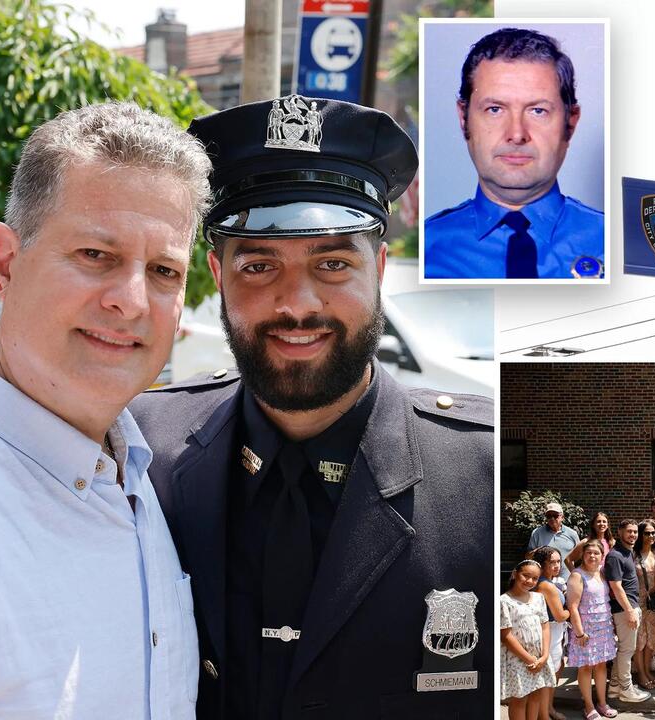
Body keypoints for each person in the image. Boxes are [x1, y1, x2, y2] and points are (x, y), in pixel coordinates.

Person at [129, 95, 494, 717]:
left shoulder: (483, 471)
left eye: (332, 263)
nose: (296, 303)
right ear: (218, 274)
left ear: (378, 268)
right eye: (259, 264)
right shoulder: (140, 454)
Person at [0, 102, 211, 716]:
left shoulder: (143, 468)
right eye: (96, 255)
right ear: (7, 264)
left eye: (162, 271)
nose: (130, 300)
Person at [424, 27, 604, 280]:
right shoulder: (427, 250)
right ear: (464, 119)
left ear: (571, 122)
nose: (517, 134)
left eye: (538, 111)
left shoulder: (615, 244)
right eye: (495, 109)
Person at [567, 541, 618, 719]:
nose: (592, 556)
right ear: (583, 554)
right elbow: (572, 607)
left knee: (601, 665)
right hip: (585, 630)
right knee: (586, 667)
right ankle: (589, 707)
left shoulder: (601, 573)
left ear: (602, 555)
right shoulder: (577, 576)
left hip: (603, 628)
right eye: (588, 553)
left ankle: (602, 703)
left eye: (596, 553)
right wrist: (579, 632)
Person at [501, 560, 556, 720]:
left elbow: (545, 626)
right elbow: (506, 635)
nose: (530, 581)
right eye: (526, 575)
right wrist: (528, 659)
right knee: (520, 698)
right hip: (518, 659)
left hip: (539, 657)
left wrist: (544, 656)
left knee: (536, 694)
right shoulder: (504, 601)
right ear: (515, 574)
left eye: (535, 578)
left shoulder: (539, 598)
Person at [604, 520, 651, 702]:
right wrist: (630, 610)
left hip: (631, 606)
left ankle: (615, 687)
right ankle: (626, 690)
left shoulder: (627, 553)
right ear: (619, 532)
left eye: (635, 532)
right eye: (629, 532)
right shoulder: (615, 556)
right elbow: (616, 586)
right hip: (624, 609)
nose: (633, 535)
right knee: (627, 650)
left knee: (624, 649)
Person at [533, 546, 570, 720]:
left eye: (558, 561)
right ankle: (544, 715)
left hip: (555, 632)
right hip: (549, 631)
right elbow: (560, 615)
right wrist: (572, 610)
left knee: (555, 671)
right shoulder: (545, 585)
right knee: (548, 675)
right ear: (541, 564)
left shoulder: (550, 581)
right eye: (551, 562)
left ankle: (548, 709)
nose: (556, 565)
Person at [634, 519, 655, 690]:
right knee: (639, 639)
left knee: (650, 638)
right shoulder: (633, 555)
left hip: (652, 602)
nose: (651, 536)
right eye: (647, 533)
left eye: (653, 533)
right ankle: (641, 674)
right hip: (638, 601)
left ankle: (646, 671)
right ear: (640, 535)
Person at [528, 502, 581, 582]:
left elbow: (580, 557)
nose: (552, 518)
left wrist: (576, 575)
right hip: (544, 581)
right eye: (549, 516)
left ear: (562, 517)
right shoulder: (537, 533)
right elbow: (528, 557)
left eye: (555, 516)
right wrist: (540, 551)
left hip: (567, 581)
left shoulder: (572, 534)